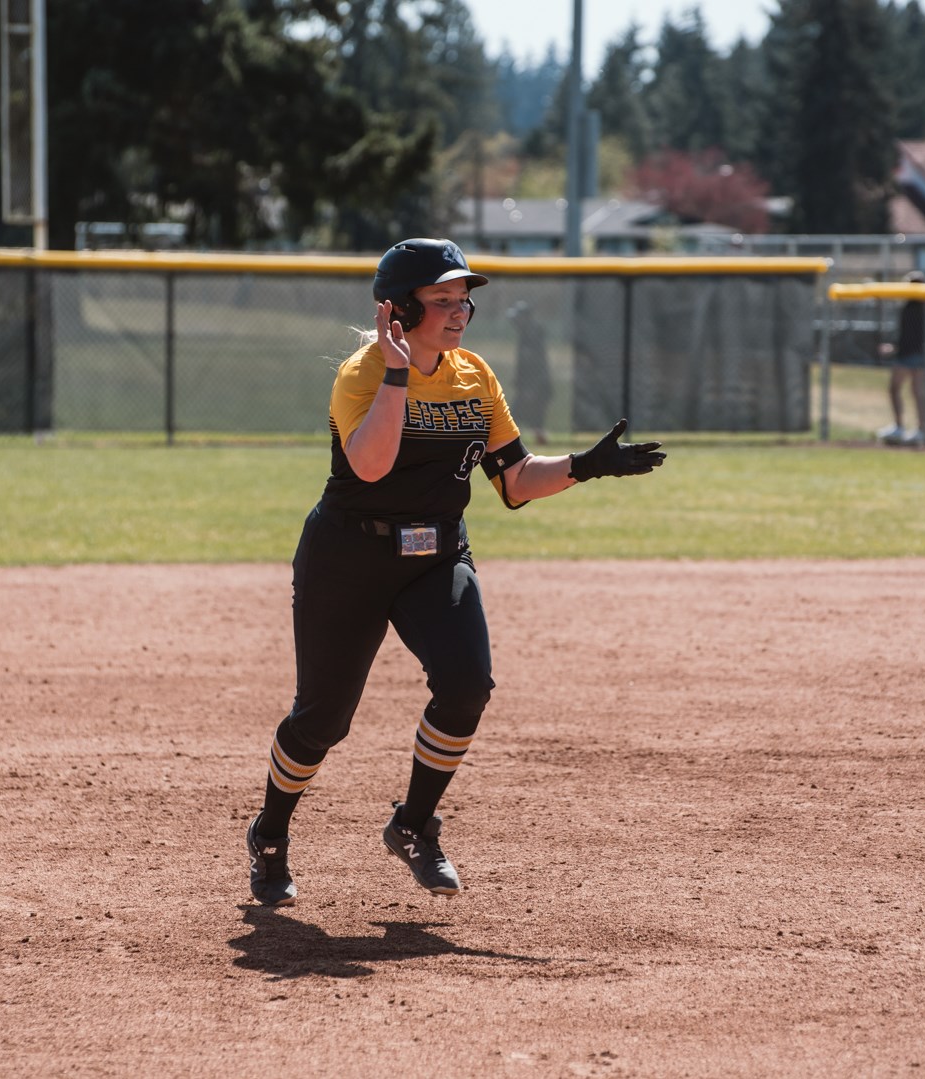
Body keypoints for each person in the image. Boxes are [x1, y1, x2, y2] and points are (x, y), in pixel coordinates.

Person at [246, 238, 665, 906]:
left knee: (468, 685)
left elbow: (515, 480)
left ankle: (413, 825)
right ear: (400, 309)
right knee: (322, 720)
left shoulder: (474, 376)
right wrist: (396, 375)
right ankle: (269, 834)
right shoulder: (361, 374)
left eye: (463, 298)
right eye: (441, 299)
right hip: (348, 558)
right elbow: (371, 467)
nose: (459, 310)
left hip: (435, 556)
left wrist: (586, 466)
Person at [877, 270, 925, 447]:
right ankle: (913, 428)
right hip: (909, 353)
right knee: (909, 391)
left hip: (914, 354)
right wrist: (893, 346)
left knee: (910, 391)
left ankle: (911, 428)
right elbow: (904, 334)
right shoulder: (910, 307)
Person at [507, 301, 553, 444]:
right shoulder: (526, 334)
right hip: (530, 385)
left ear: (526, 317)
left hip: (535, 385)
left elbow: (535, 364)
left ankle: (510, 444)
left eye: (518, 318)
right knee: (533, 419)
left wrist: (530, 387)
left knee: (517, 417)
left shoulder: (532, 335)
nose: (515, 321)